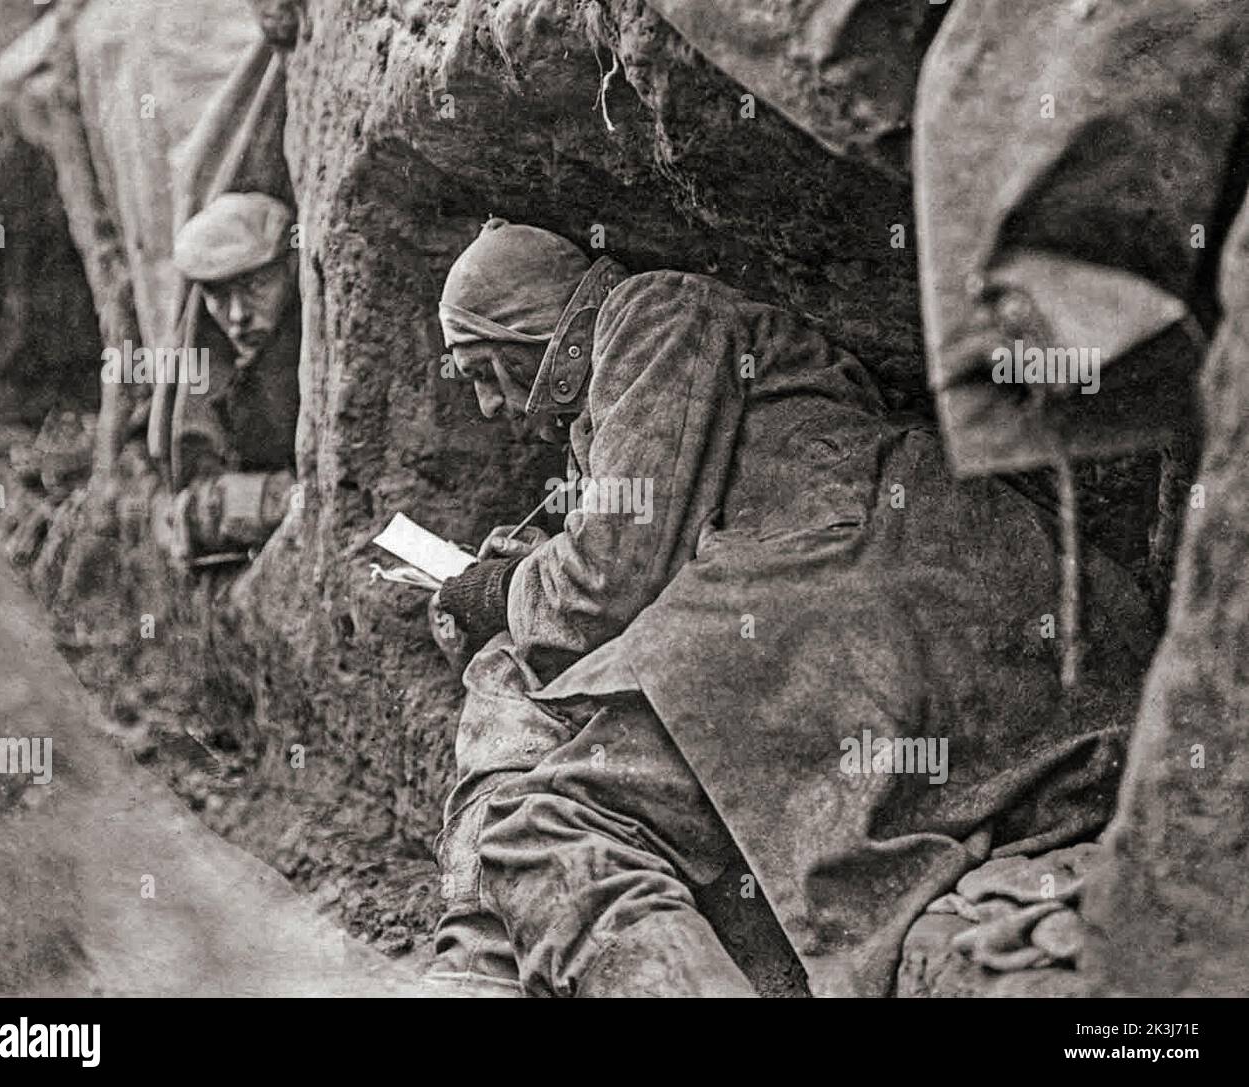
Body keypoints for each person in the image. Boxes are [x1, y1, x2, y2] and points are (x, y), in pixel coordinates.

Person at [424, 217, 1159, 998]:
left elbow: (604, 581)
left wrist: (501, 591)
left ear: (529, 330)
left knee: (548, 835)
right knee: (513, 680)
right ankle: (480, 958)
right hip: (919, 622)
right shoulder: (647, 368)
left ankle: (481, 965)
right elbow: (618, 546)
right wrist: (524, 573)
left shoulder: (655, 312)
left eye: (480, 367)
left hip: (851, 606)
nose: (487, 405)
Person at [155, 192, 301, 564]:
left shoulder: (311, 348)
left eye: (256, 287)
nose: (237, 316)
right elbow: (184, 503)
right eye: (217, 295)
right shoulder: (208, 362)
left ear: (292, 268)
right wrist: (276, 498)